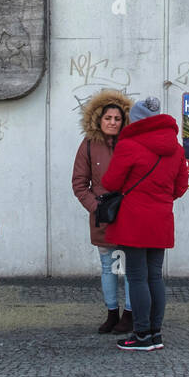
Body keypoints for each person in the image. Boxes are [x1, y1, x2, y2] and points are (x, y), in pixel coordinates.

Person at [102, 96, 188, 352]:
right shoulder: (177, 148)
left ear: (136, 120)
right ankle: (155, 334)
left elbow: (111, 182)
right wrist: (160, 199)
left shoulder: (129, 145)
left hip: (133, 221)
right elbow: (181, 186)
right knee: (154, 277)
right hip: (161, 220)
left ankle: (141, 336)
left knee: (137, 277)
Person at [71, 89, 133, 335]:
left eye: (117, 119)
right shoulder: (88, 145)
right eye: (108, 118)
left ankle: (128, 315)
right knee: (108, 267)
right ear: (99, 119)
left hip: (129, 217)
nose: (112, 123)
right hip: (102, 218)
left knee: (128, 266)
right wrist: (96, 207)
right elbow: (79, 183)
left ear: (123, 121)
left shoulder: (130, 144)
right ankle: (111, 314)